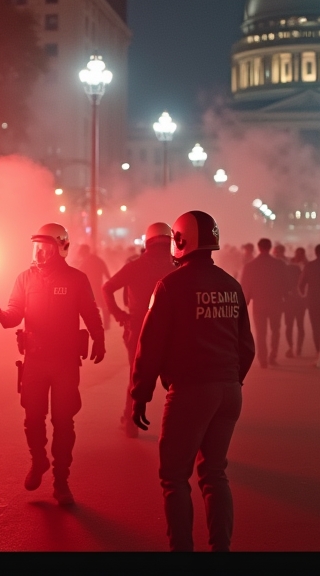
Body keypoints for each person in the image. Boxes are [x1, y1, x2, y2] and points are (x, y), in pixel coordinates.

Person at [131, 210, 255, 551]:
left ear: (181, 241)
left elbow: (150, 346)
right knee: (215, 474)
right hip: (229, 391)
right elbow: (247, 346)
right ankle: (220, 550)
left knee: (174, 477)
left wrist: (139, 394)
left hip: (190, 391)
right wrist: (231, 380)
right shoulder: (231, 285)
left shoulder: (170, 285)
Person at [0, 223, 105, 506]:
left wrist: (99, 339)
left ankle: (61, 481)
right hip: (35, 361)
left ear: (61, 247)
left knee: (64, 421)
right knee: (33, 417)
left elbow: (90, 312)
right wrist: (3, 317)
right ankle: (39, 460)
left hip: (65, 362)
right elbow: (16, 311)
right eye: (37, 247)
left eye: (46, 248)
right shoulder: (24, 279)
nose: (40, 254)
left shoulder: (77, 279)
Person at [103, 222, 176, 437]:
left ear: (148, 241)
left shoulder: (134, 267)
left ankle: (130, 422)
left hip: (138, 328)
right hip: (171, 332)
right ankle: (175, 425)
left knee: (136, 376)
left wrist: (120, 316)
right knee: (176, 381)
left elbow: (106, 288)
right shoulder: (177, 268)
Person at [240, 238, 286, 368]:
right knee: (275, 330)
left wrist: (247, 301)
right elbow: (285, 283)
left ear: (259, 248)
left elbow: (245, 285)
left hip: (259, 304)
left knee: (261, 332)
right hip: (276, 302)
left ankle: (262, 359)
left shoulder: (250, 266)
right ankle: (273, 355)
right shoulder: (279, 264)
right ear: (270, 247)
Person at [298, 244, 320, 357]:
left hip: (313, 301)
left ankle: (318, 349)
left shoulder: (309, 266)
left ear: (315, 252)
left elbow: (301, 284)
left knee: (315, 327)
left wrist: (303, 295)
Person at [74, 244, 112, 330]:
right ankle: (106, 324)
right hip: (97, 286)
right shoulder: (98, 260)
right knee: (102, 305)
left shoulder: (86, 261)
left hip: (90, 288)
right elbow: (107, 273)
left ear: (84, 252)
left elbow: (78, 274)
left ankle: (97, 324)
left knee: (92, 306)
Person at [283, 247, 309, 358]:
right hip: (300, 301)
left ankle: (291, 347)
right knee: (299, 325)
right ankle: (298, 347)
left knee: (289, 326)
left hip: (289, 302)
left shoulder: (288, 271)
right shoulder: (305, 268)